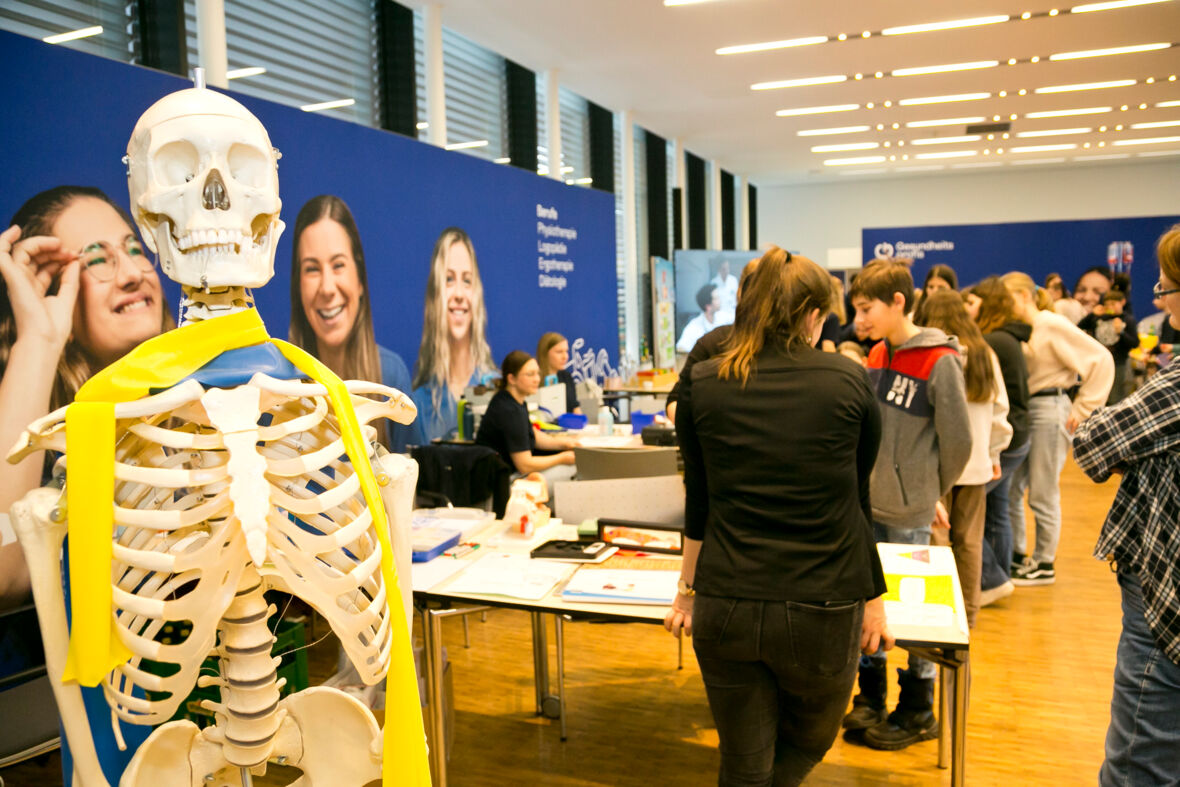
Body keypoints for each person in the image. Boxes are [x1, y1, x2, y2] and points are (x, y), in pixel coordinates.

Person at [665, 246, 890, 785]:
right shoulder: (848, 380)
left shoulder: (706, 381)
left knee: (743, 763)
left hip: (727, 602)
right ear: (813, 315)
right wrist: (874, 601)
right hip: (824, 604)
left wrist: (686, 591)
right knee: (805, 748)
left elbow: (700, 501)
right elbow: (857, 501)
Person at [0, 186, 169, 782]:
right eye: (96, 260)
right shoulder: (42, 444)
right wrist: (39, 339)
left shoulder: (202, 404)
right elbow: (4, 571)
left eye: (132, 248)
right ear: (54, 293)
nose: (129, 272)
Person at [845, 260, 971, 751]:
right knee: (869, 604)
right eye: (855, 309)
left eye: (867, 308)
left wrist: (931, 492)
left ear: (898, 302)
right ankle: (870, 695)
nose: (859, 319)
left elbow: (958, 441)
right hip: (868, 507)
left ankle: (918, 707)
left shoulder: (940, 360)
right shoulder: (876, 355)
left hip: (912, 512)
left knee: (918, 612)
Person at [1072, 224, 1180, 786]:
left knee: (1140, 760)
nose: (1161, 301)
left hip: (1167, 601)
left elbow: (1093, 444)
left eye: (1166, 289)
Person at [1001, 272, 1113, 586]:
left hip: (1049, 408)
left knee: (1043, 489)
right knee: (1013, 489)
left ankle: (1044, 561)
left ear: (1023, 296)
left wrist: (1084, 408)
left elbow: (1100, 359)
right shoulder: (1025, 329)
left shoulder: (1049, 323)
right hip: (1029, 410)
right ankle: (1019, 554)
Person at [916, 290, 1011, 627]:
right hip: (976, 464)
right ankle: (969, 614)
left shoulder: (930, 354)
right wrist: (994, 451)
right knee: (969, 542)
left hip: (935, 463)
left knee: (935, 539)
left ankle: (937, 613)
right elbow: (1000, 411)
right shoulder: (985, 354)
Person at [288, 195, 413, 452]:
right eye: (312, 269)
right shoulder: (278, 383)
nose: (327, 288)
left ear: (359, 280)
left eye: (338, 265)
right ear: (298, 286)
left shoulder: (391, 376)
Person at [965, 278, 1031, 605]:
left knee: (968, 508)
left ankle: (992, 579)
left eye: (973, 303)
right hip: (1017, 434)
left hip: (1007, 438)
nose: (968, 309)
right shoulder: (1008, 339)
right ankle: (997, 578)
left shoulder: (991, 343)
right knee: (995, 510)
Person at [411, 227, 496, 442]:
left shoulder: (498, 389)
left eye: (466, 280)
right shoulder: (418, 404)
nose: (459, 294)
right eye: (449, 279)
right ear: (434, 296)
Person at [475, 351, 578, 495]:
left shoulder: (515, 402)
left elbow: (533, 436)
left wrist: (565, 443)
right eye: (530, 374)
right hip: (505, 484)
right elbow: (525, 464)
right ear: (512, 379)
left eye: (537, 374)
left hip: (508, 476)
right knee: (573, 470)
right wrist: (562, 458)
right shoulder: (509, 410)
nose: (536, 379)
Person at [1078, 289, 1138, 404]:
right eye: (1107, 304)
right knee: (1097, 397)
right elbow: (1079, 327)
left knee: (1115, 397)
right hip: (1098, 363)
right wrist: (1092, 314)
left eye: (1113, 304)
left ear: (1122, 302)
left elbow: (1134, 343)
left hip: (1118, 364)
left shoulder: (1127, 319)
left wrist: (1121, 332)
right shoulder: (1099, 317)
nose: (1110, 307)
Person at [536, 331, 580, 414]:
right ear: (545, 353)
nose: (565, 357)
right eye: (559, 352)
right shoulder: (535, 379)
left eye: (566, 351)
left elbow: (576, 408)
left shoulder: (566, 377)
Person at [677, 283, 726, 353]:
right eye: (716, 298)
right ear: (708, 306)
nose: (720, 301)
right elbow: (681, 348)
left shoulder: (723, 318)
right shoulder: (694, 327)